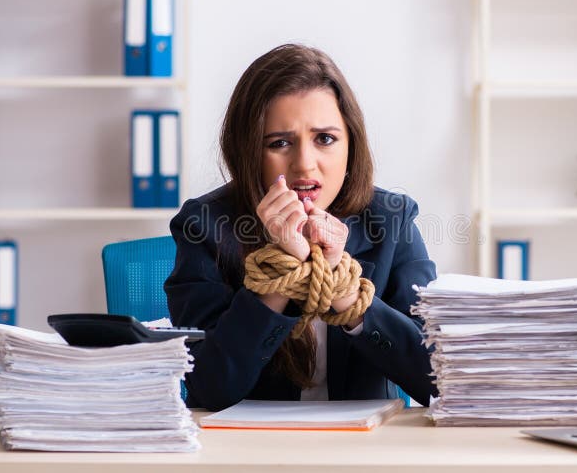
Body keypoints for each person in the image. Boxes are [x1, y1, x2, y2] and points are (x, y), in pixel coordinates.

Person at [164, 43, 438, 411]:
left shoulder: (392, 220)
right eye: (280, 143)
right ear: (248, 152)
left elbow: (439, 380)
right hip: (250, 452)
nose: (304, 165)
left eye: (324, 139)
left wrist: (346, 296)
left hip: (365, 452)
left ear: (350, 145)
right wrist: (282, 272)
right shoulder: (205, 225)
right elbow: (211, 388)